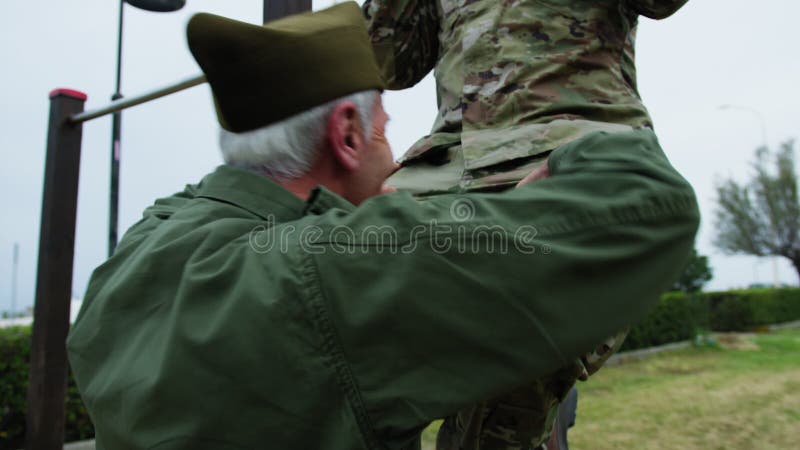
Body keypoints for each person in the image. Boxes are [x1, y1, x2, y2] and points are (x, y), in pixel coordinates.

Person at [67, 2, 699, 449]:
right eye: (382, 127)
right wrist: (558, 171)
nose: (392, 140)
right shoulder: (334, 275)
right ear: (345, 133)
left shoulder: (140, 250)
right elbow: (649, 204)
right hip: (557, 154)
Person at [363, 0, 691, 447]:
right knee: (329, 299)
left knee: (506, 399)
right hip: (444, 164)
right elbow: (385, 61)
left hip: (565, 146)